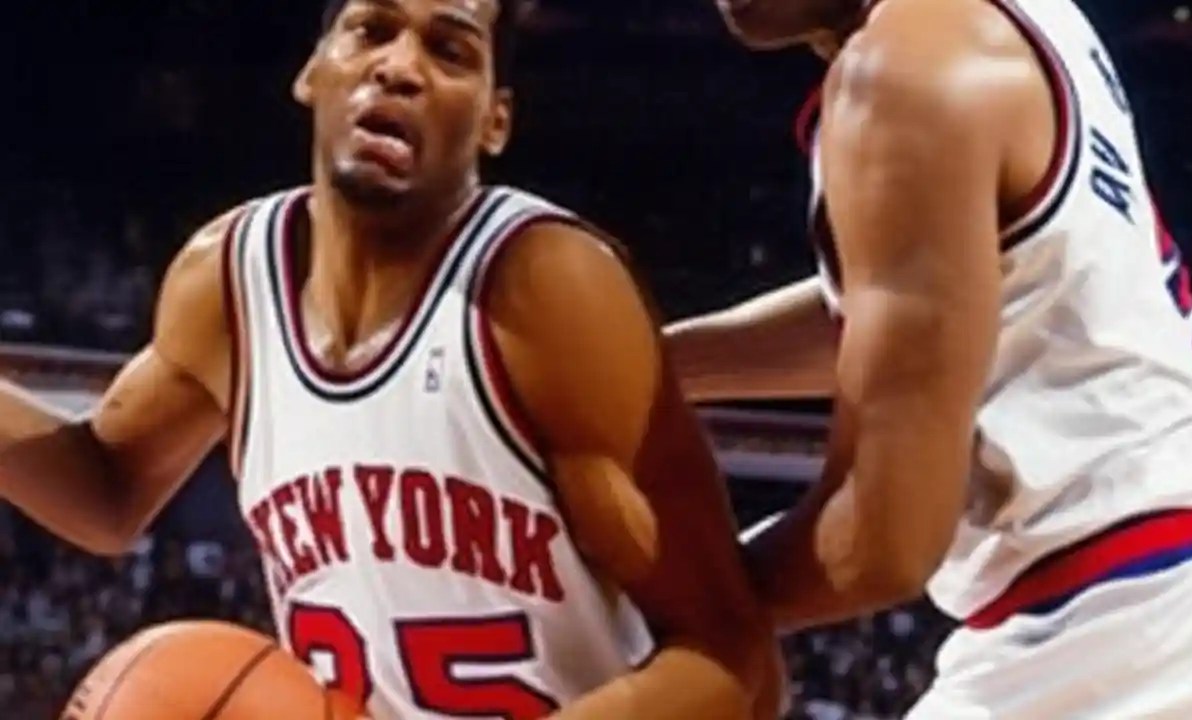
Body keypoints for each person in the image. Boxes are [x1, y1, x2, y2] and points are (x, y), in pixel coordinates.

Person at [0, 1, 780, 717]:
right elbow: (103, 487)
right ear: (312, 72)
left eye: (448, 50)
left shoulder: (545, 288)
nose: (399, 67)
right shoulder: (229, 286)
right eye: (372, 30)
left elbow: (733, 659)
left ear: (495, 121)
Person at [667, 0, 1192, 716]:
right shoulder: (1013, 22)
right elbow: (923, 306)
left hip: (1124, 647)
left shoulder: (906, 71)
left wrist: (656, 602)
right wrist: (651, 369)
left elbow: (879, 545)